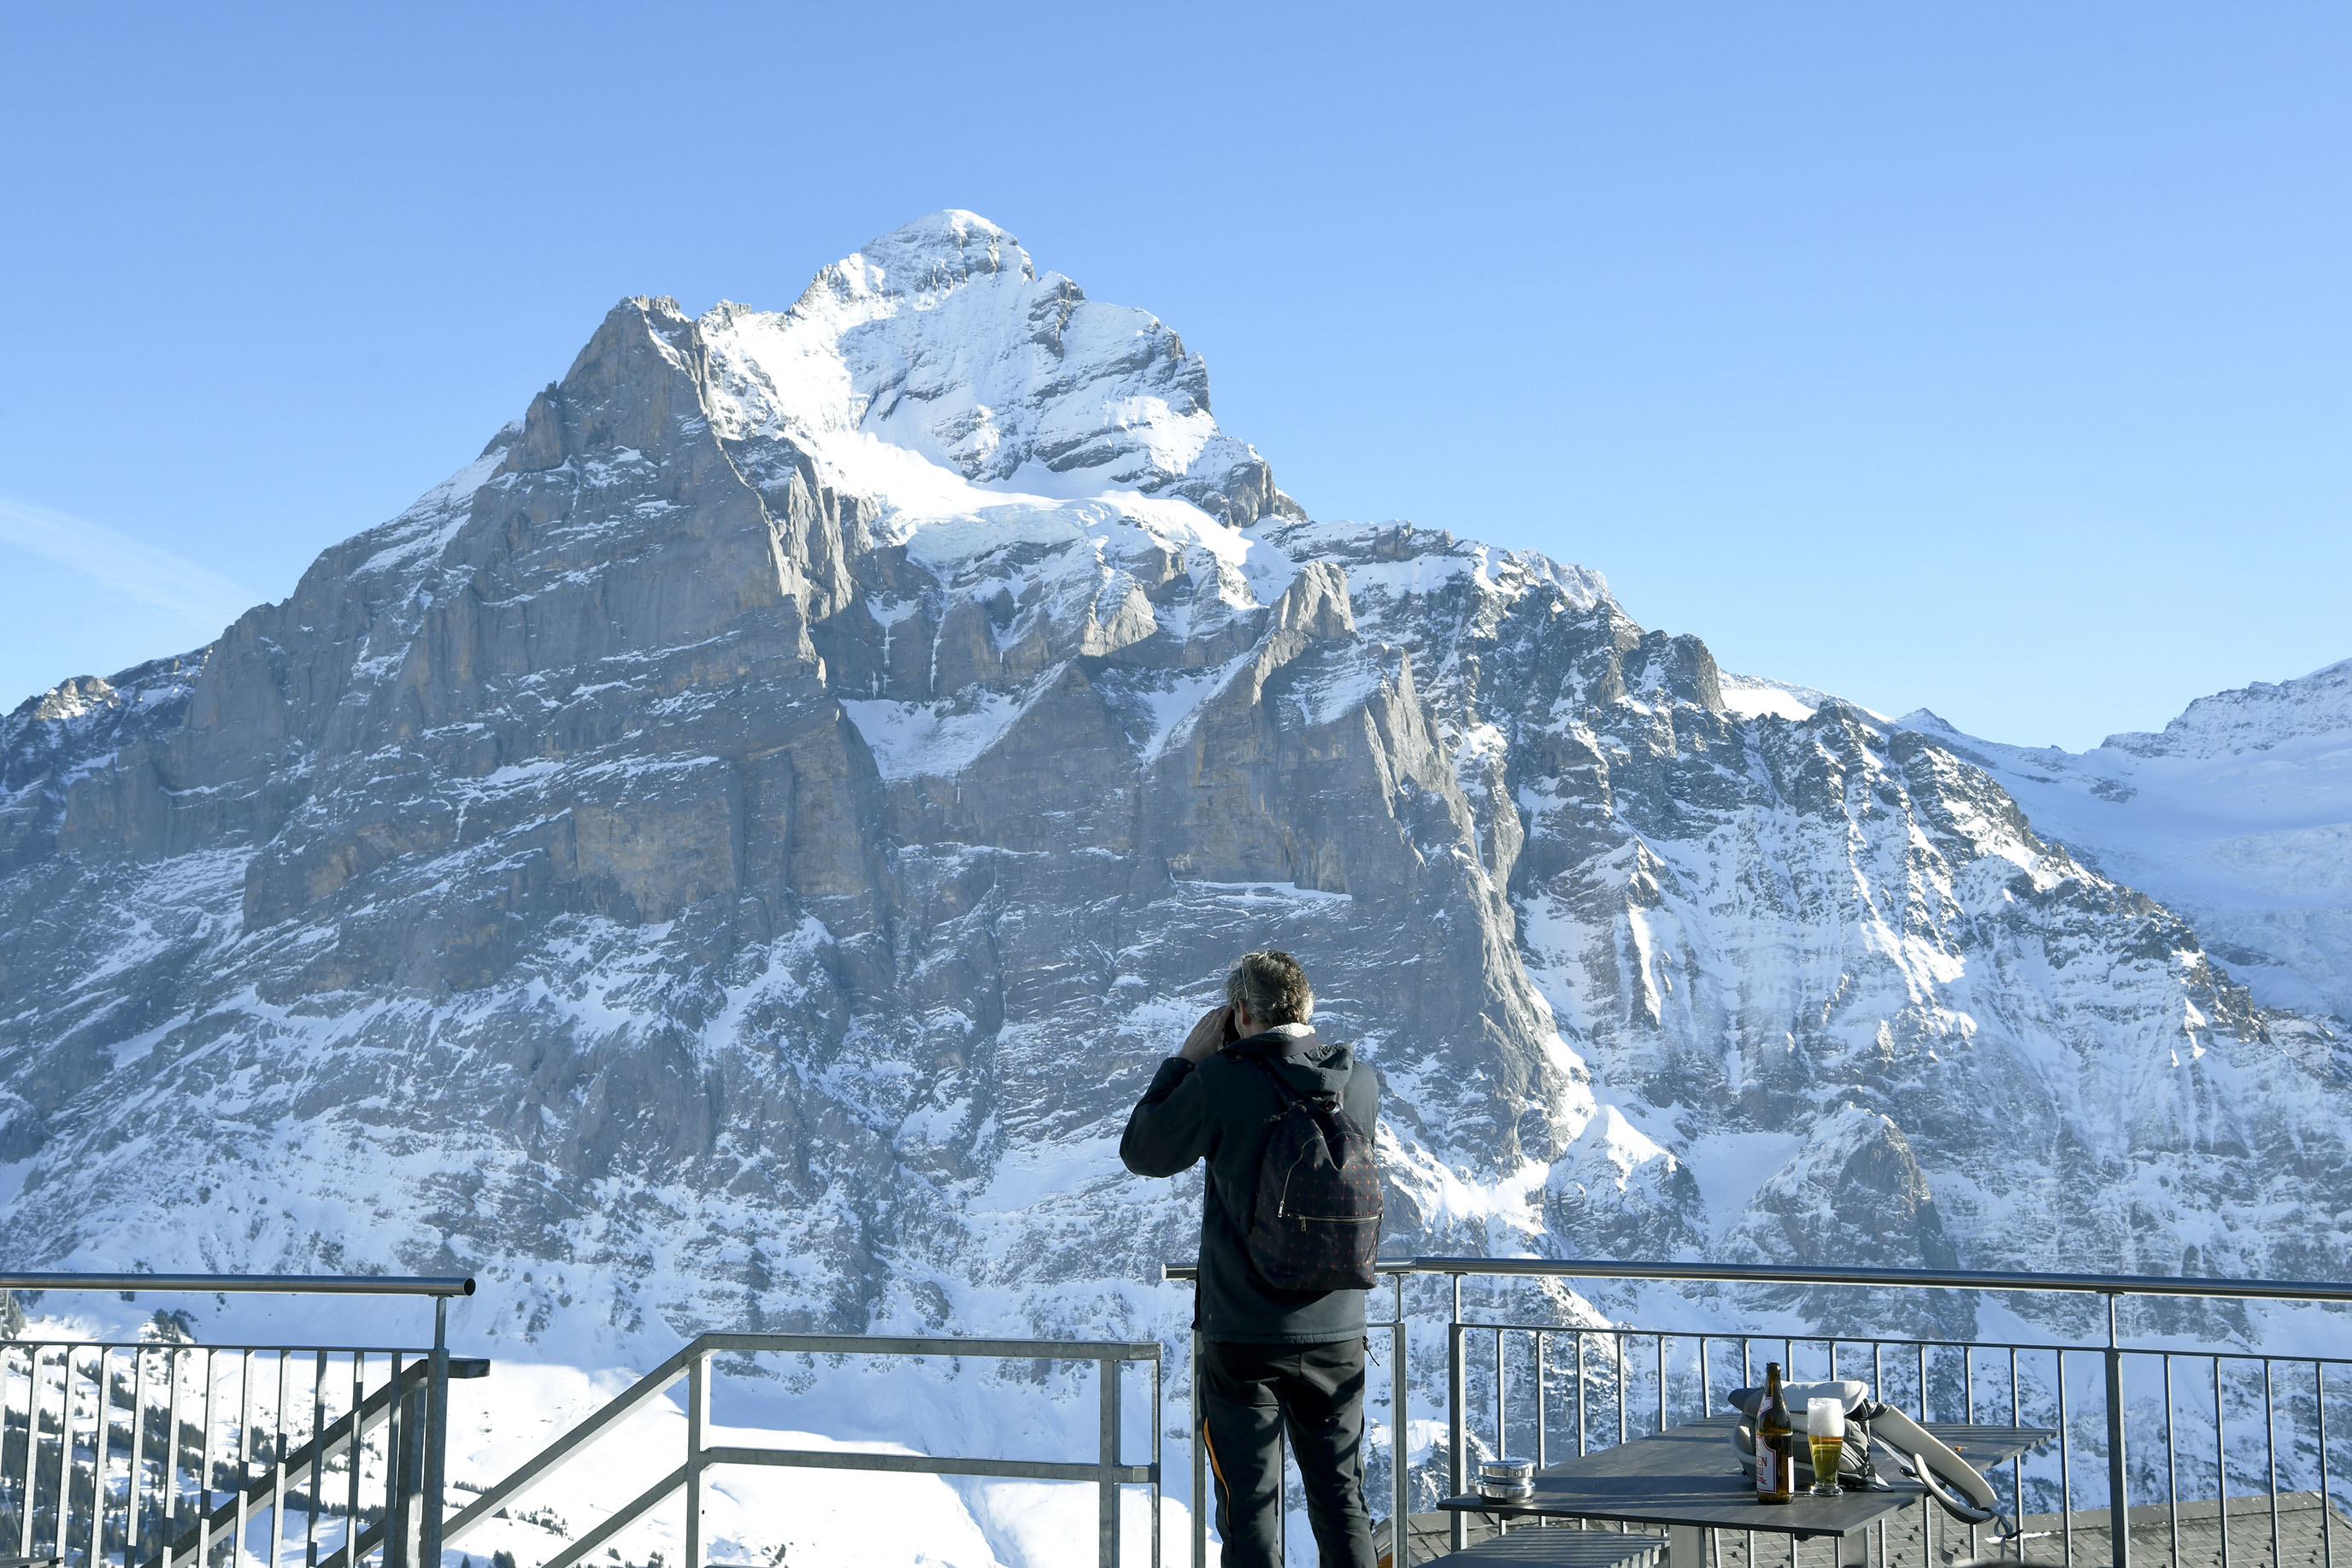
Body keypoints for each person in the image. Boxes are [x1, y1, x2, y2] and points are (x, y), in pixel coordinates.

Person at [1120, 949, 1381, 1568]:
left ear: (1240, 1012)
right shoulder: (1359, 1084)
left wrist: (1185, 1060)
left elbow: (1142, 1147)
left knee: (1249, 1514)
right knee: (1343, 1500)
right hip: (1338, 1330)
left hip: (1243, 1337)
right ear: (1307, 1008)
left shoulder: (1223, 1081)